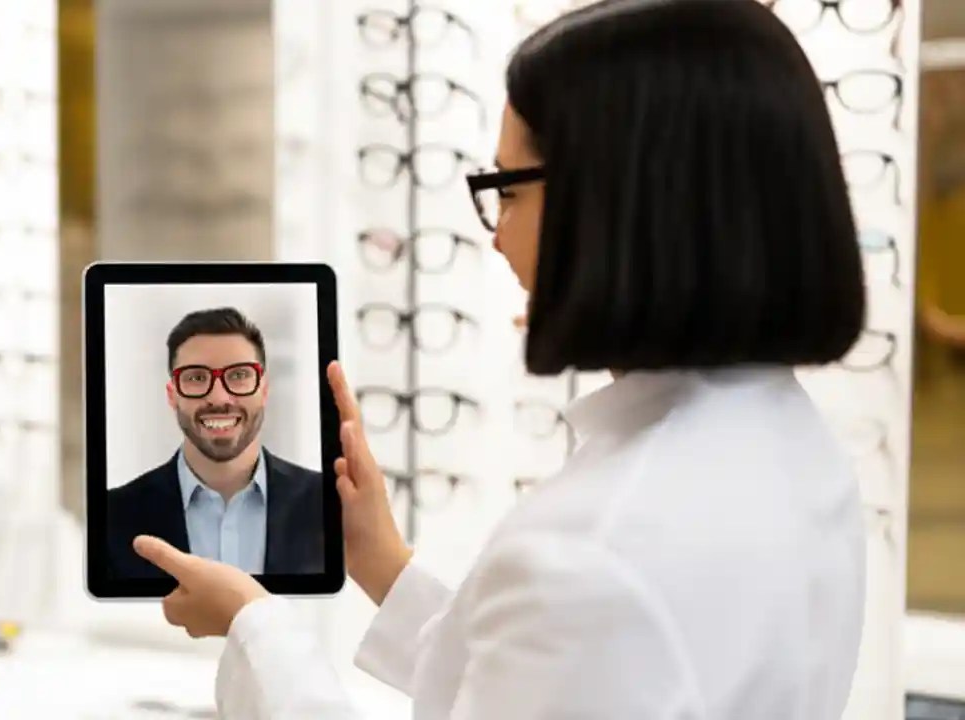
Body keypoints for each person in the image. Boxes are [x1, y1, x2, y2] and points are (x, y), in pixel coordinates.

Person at [131, 0, 868, 717]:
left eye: (506, 190)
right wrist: (385, 565)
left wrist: (257, 628)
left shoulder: (592, 552)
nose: (496, 235)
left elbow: (577, 642)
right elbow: (563, 680)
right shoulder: (795, 452)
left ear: (613, 204)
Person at [106, 307, 324, 579]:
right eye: (197, 378)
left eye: (239, 375)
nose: (220, 398)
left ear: (264, 390)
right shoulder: (113, 516)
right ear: (172, 395)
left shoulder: (326, 504)